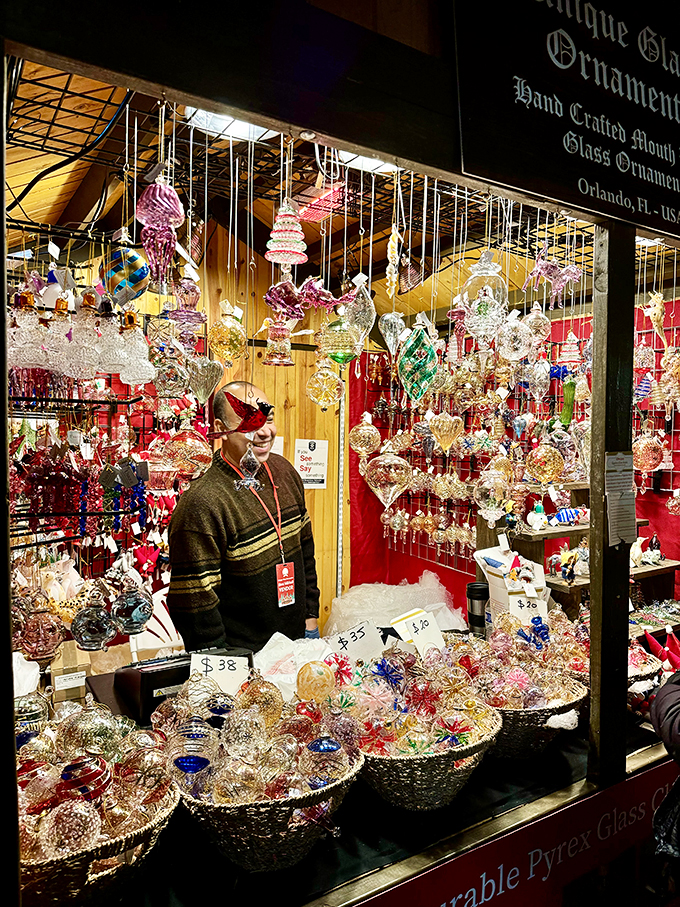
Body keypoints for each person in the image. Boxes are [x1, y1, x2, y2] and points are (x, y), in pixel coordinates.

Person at [167, 380, 320, 653]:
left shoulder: (284, 472)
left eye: (268, 418)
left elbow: (304, 549)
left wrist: (310, 619)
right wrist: (226, 669)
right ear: (220, 430)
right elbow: (195, 605)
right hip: (242, 660)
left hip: (299, 642)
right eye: (249, 421)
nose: (264, 431)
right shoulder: (202, 503)